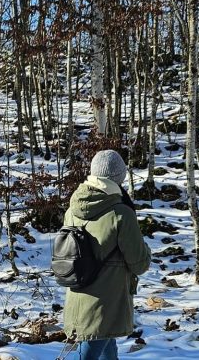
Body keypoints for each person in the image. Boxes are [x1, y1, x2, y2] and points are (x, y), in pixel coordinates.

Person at [63, 149, 151, 359]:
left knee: (106, 349)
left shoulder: (72, 209)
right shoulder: (121, 214)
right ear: (118, 177)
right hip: (105, 301)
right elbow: (139, 264)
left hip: (78, 293)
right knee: (88, 353)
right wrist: (146, 250)